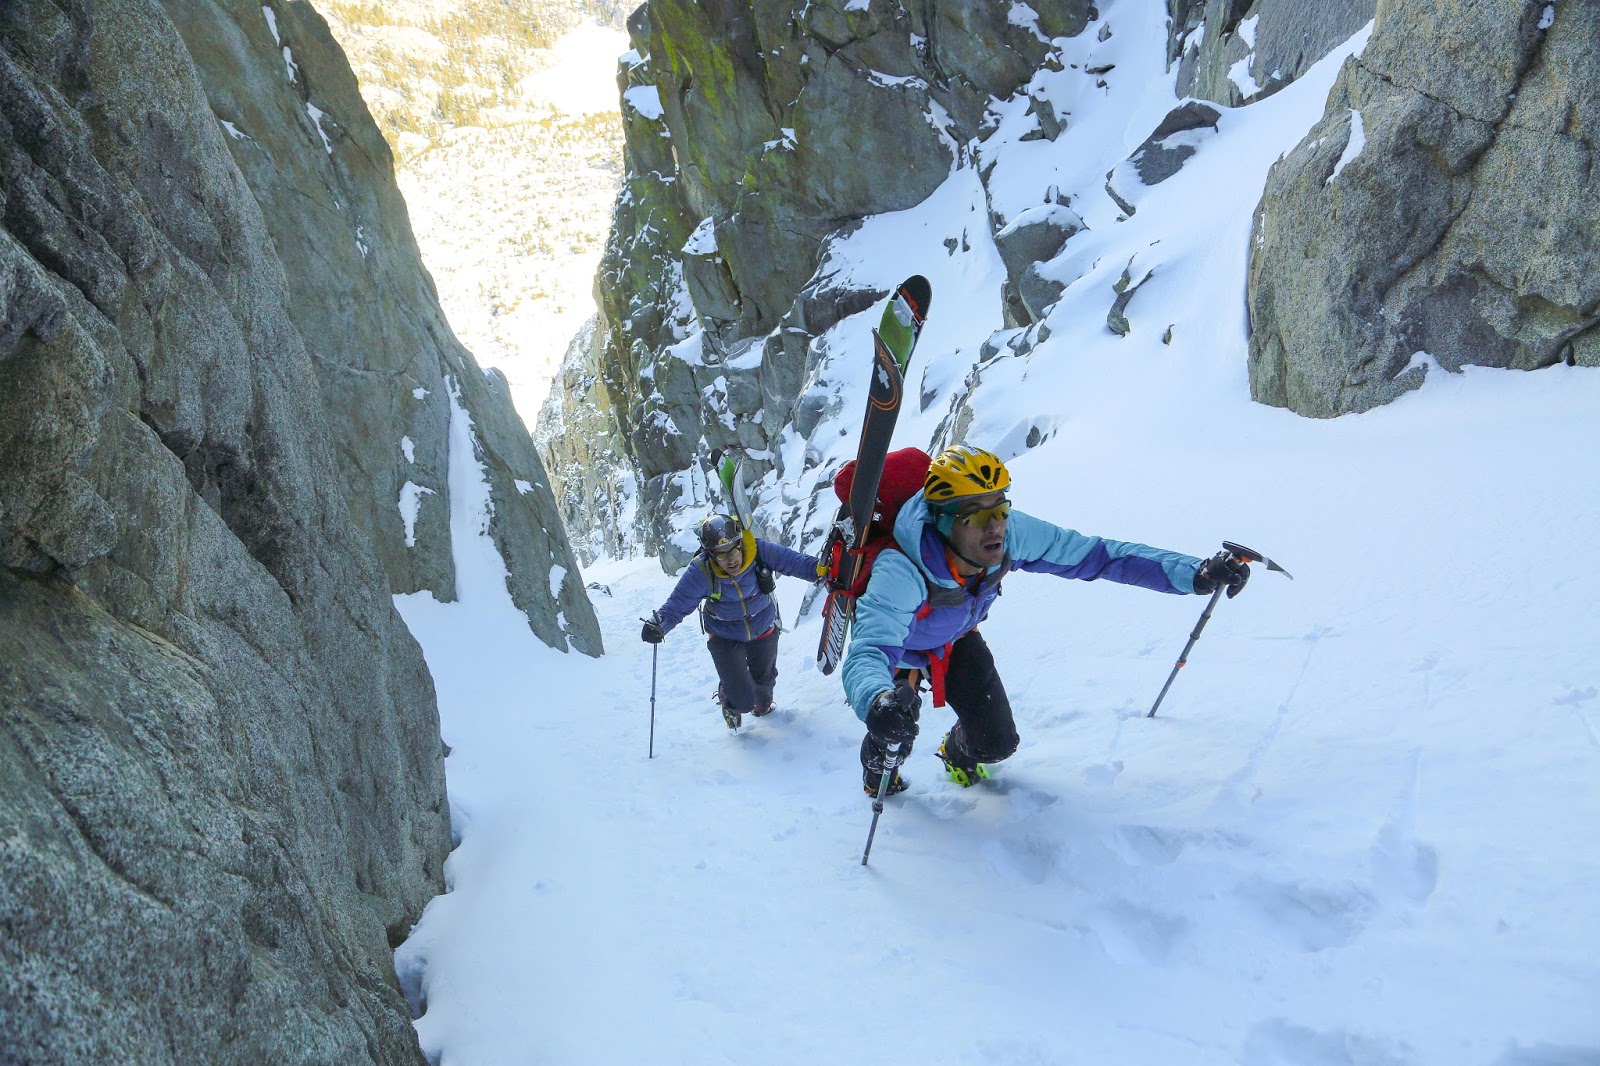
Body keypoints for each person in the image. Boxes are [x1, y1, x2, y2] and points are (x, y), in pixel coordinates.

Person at [841, 444, 1249, 794]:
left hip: (956, 638)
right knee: (891, 734)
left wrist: (1195, 573)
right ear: (944, 521)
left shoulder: (1009, 534)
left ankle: (956, 751)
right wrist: (878, 702)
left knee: (997, 742)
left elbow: (1098, 555)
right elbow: (869, 651)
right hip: (904, 649)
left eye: (1001, 509)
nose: (996, 527)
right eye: (979, 517)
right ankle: (879, 773)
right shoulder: (901, 571)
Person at [642, 514, 824, 729]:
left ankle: (762, 705)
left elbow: (794, 562)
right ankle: (728, 698)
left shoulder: (758, 550)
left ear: (740, 543)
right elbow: (678, 604)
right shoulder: (701, 571)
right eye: (721, 555)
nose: (731, 559)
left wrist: (822, 570)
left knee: (763, 688)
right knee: (743, 701)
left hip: (763, 625)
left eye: (734, 550)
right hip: (724, 636)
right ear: (711, 554)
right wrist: (659, 624)